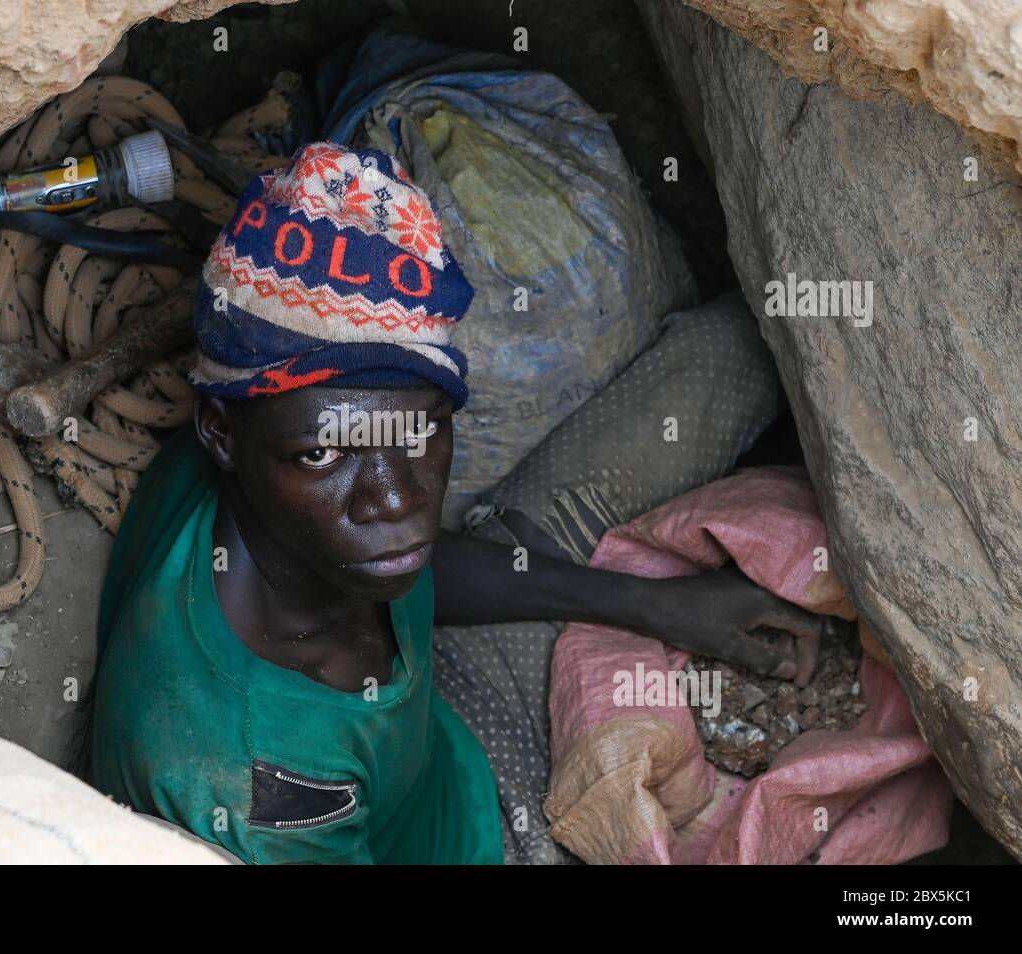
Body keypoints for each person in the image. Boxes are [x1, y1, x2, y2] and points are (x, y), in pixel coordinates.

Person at [87, 143, 827, 864]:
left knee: (738, 348)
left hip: (443, 718)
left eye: (418, 431)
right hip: (492, 831)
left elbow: (421, 565)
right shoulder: (256, 781)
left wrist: (657, 603)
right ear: (220, 435)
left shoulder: (301, 501)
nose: (395, 499)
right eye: (324, 455)